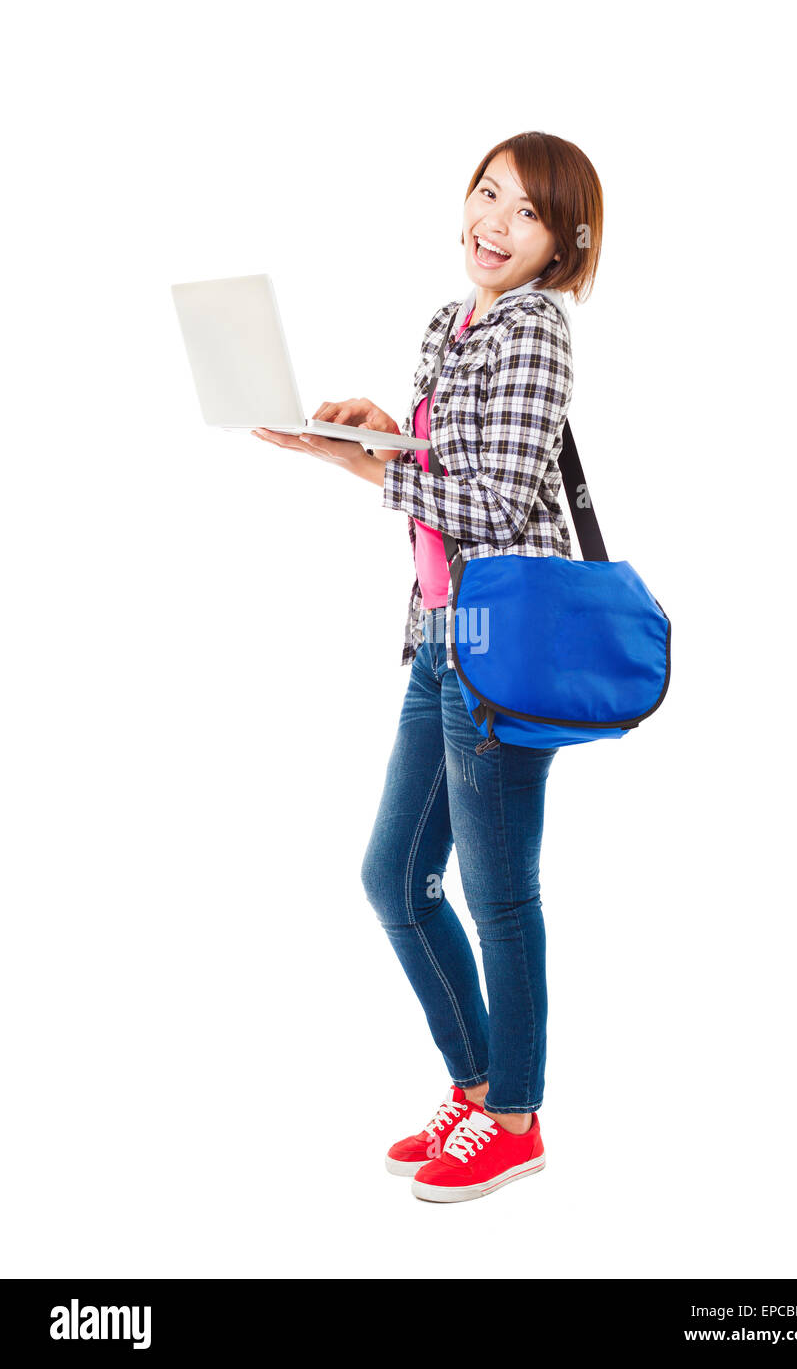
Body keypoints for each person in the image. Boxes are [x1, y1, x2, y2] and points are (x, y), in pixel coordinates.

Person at [253, 130, 603, 1202]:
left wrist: (353, 465)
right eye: (485, 193)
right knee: (393, 878)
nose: (492, 223)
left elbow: (494, 504)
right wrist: (381, 430)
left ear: (561, 243)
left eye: (525, 213)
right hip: (438, 639)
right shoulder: (448, 321)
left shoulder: (536, 327)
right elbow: (449, 465)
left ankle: (514, 1117)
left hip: (504, 649)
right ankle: (476, 1083)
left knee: (498, 895)